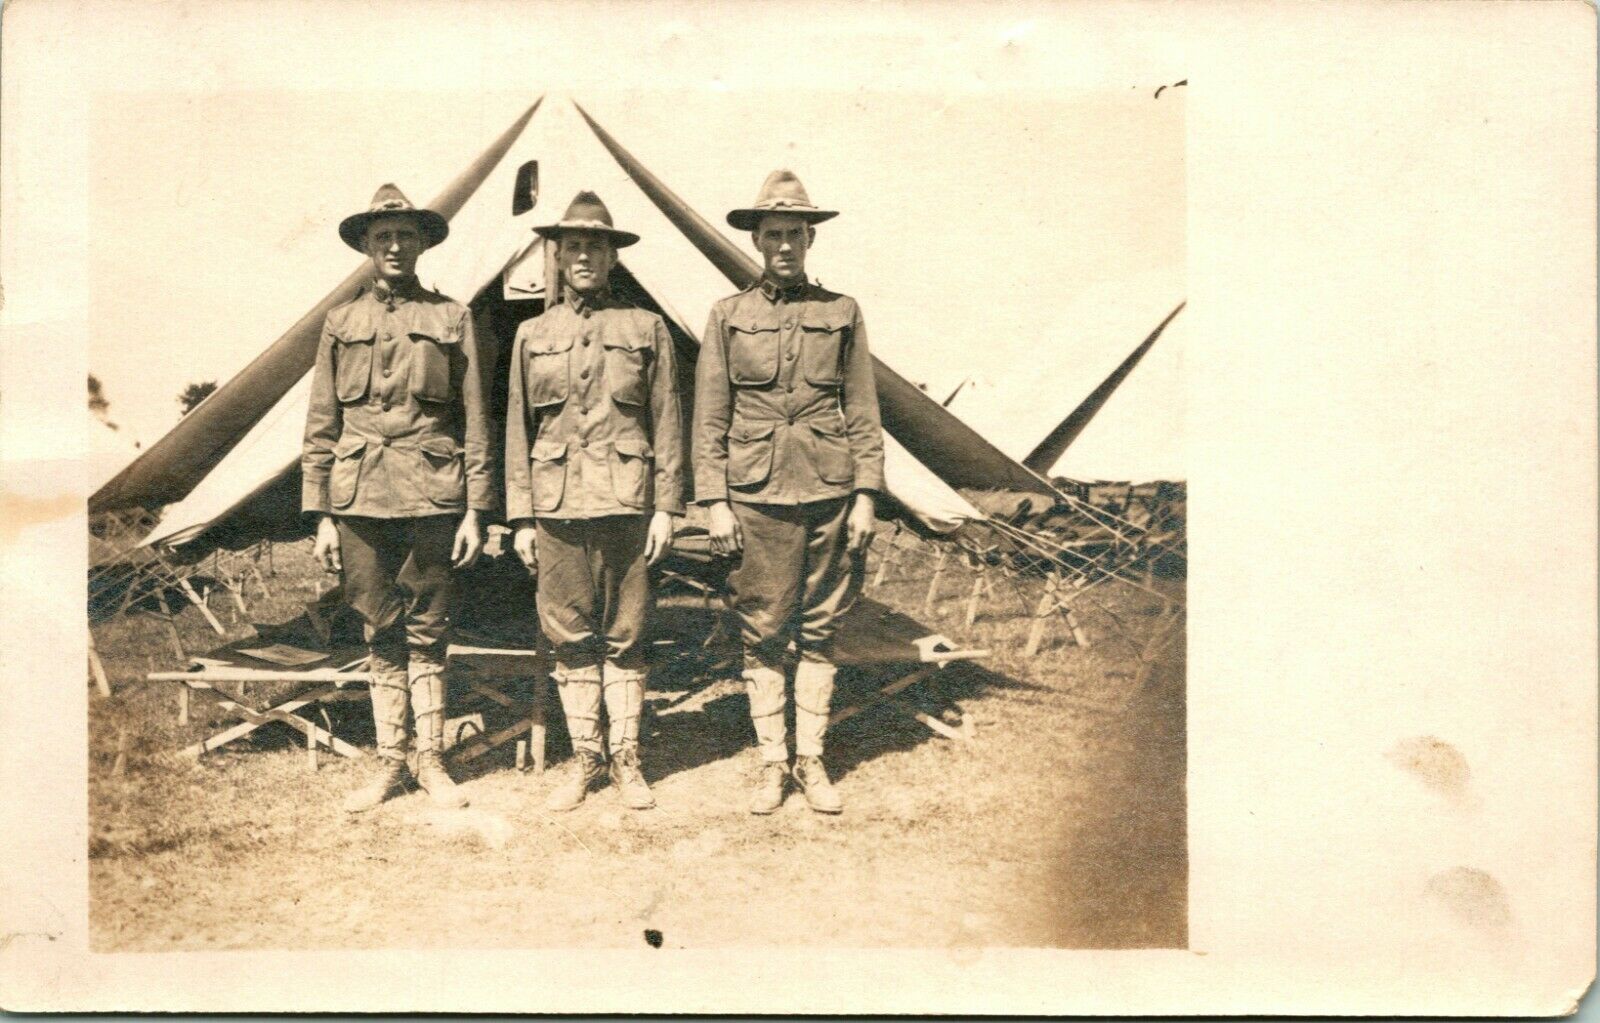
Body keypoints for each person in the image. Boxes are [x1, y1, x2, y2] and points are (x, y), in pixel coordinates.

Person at [694, 170, 885, 814]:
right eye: (772, 234)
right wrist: (716, 501)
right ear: (756, 239)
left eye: (795, 234)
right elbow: (711, 418)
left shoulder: (842, 312)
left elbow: (862, 410)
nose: (783, 245)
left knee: (822, 626)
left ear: (811, 239)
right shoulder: (728, 316)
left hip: (830, 489)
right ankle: (774, 763)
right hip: (755, 494)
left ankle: (813, 760)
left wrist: (866, 495)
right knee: (763, 627)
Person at [302, 183, 492, 813]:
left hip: (433, 492)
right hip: (357, 497)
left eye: (405, 236)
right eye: (381, 236)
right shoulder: (341, 322)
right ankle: (390, 764)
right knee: (377, 623)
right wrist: (324, 514)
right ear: (365, 244)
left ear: (421, 245)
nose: (393, 246)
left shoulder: (450, 317)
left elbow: (475, 421)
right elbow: (322, 424)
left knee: (428, 626)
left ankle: (432, 762)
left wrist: (475, 509)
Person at [505, 191, 684, 812]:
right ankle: (585, 758)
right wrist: (521, 516)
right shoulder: (532, 334)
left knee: (626, 633)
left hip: (627, 503)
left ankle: (628, 760)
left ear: (612, 255)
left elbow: (668, 422)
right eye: (572, 245)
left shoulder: (645, 327)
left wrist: (666, 507)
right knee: (569, 635)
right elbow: (515, 431)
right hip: (554, 507)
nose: (583, 256)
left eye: (595, 245)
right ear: (555, 256)